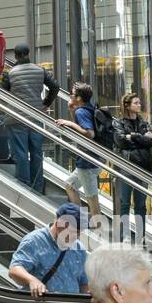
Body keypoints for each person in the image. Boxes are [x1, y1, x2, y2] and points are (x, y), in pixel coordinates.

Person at [1, 46, 59, 195]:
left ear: (15, 55)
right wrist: (45, 103)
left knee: (20, 153)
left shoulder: (10, 73)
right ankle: (37, 187)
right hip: (35, 117)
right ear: (28, 54)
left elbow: (4, 92)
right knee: (36, 153)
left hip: (16, 117)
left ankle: (24, 187)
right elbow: (55, 86)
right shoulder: (40, 70)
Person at [56, 83, 103, 221]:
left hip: (87, 162)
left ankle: (97, 229)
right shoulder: (87, 109)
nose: (70, 95)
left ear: (79, 97)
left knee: (92, 197)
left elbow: (89, 133)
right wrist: (72, 111)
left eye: (72, 93)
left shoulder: (81, 111)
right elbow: (82, 125)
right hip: (90, 159)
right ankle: (79, 218)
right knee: (70, 185)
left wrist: (69, 123)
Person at [113, 92, 152, 243]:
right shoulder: (118, 123)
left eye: (139, 103)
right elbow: (121, 142)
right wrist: (142, 138)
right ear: (127, 106)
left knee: (141, 205)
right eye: (136, 103)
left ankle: (140, 237)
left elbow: (151, 141)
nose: (139, 105)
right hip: (126, 167)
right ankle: (124, 236)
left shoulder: (144, 122)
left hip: (143, 168)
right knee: (124, 202)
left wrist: (134, 137)